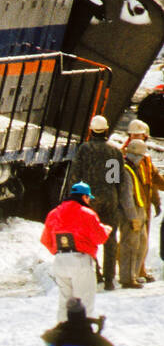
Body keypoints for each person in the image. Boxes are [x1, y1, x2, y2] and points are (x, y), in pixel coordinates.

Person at [41, 181, 111, 320]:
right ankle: (82, 336)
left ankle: (62, 334)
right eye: (89, 198)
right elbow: (99, 238)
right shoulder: (87, 213)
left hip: (60, 261)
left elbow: (45, 240)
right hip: (80, 261)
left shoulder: (54, 213)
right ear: (85, 197)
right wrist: (106, 229)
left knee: (64, 303)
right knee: (84, 303)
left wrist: (60, 251)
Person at [68, 115, 123, 289]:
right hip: (110, 197)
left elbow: (75, 176)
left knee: (87, 237)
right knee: (110, 238)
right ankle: (109, 280)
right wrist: (116, 199)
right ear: (106, 130)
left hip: (89, 199)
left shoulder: (84, 149)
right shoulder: (115, 150)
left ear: (91, 131)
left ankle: (96, 273)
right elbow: (117, 178)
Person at [125, 119, 163, 280]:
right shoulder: (119, 156)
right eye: (134, 135)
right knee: (130, 241)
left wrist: (156, 201)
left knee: (143, 240)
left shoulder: (145, 158)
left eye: (140, 136)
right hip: (130, 205)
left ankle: (140, 270)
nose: (137, 138)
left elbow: (153, 180)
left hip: (144, 205)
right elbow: (112, 182)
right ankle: (128, 273)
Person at [119, 139, 150, 289]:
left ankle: (135, 274)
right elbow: (126, 197)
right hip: (131, 212)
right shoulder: (126, 170)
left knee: (141, 244)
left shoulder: (135, 167)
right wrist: (133, 218)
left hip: (139, 209)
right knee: (130, 245)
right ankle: (127, 278)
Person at [41, 298, 115, 346]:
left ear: (68, 314)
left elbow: (45, 335)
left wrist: (62, 326)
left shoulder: (53, 340)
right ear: (83, 314)